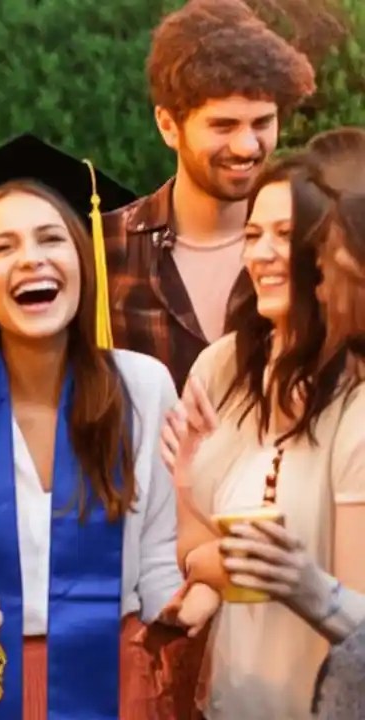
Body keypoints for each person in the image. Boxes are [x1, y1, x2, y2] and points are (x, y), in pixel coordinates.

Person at [0, 137, 207, 719]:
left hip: (115, 680)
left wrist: (201, 598)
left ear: (83, 263)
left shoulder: (143, 389)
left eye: (51, 238)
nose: (31, 259)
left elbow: (163, 560)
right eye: (3, 247)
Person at [162, 153, 365, 719]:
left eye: (286, 234)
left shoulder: (356, 398)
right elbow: (191, 548)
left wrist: (289, 580)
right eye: (252, 234)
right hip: (230, 700)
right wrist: (187, 502)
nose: (263, 253)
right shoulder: (221, 368)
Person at [103, 0, 316, 392]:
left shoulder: (315, 244)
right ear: (168, 126)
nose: (246, 146)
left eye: (262, 123)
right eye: (224, 125)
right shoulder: (101, 251)